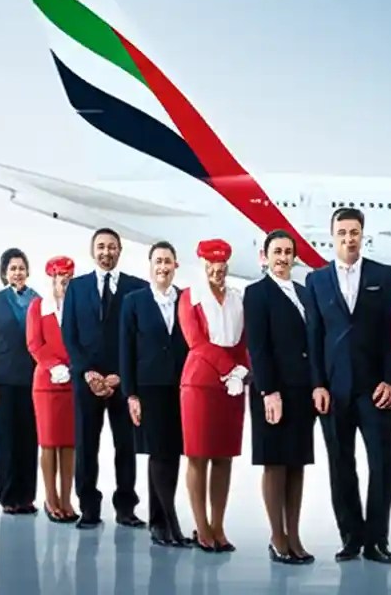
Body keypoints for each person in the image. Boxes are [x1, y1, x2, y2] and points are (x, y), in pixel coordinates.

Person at [300, 207, 391, 564]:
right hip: (334, 392)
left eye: (354, 232)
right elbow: (313, 337)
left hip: (375, 390)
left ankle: (377, 541)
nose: (348, 238)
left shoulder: (383, 275)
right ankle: (351, 538)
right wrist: (317, 385)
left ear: (362, 234)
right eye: (342, 232)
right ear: (332, 236)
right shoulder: (316, 280)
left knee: (381, 466)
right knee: (341, 466)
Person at [60, 227, 147, 530]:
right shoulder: (76, 287)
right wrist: (88, 372)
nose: (106, 252)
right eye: (101, 246)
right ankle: (88, 508)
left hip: (122, 380)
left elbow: (139, 337)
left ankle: (126, 508)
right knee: (86, 446)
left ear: (119, 250)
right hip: (87, 380)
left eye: (111, 247)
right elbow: (69, 334)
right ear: (92, 251)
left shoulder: (136, 288)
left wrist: (119, 375)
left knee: (126, 446)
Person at [244, 230, 317, 564]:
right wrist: (268, 391)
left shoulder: (304, 292)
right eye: (277, 252)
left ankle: (294, 534)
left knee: (297, 463)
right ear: (265, 256)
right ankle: (277, 536)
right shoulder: (256, 293)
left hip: (301, 390)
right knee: (275, 462)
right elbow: (258, 347)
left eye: (288, 252)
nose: (283, 258)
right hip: (273, 390)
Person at [119, 241, 193, 547]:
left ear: (175, 265)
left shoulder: (186, 299)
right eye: (158, 261)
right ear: (150, 266)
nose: (163, 266)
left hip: (180, 387)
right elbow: (125, 348)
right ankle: (167, 523)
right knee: (159, 452)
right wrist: (130, 394)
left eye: (167, 261)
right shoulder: (134, 301)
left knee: (171, 453)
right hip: (149, 388)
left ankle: (159, 521)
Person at [178, 238, 250, 553]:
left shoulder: (237, 298)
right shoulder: (190, 297)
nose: (216, 270)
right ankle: (202, 526)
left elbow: (243, 342)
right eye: (211, 264)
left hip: (232, 386)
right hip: (200, 384)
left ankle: (218, 525)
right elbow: (196, 341)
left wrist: (242, 372)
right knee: (198, 456)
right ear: (202, 264)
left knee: (223, 457)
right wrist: (229, 369)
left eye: (221, 265)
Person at [0, 248, 40, 515]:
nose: (17, 272)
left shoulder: (38, 300)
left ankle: (26, 497)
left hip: (32, 383)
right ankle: (9, 498)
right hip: (2, 383)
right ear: (4, 273)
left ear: (27, 271)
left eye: (21, 268)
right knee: (5, 442)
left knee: (28, 441)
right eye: (12, 268)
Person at [25, 256, 78, 523]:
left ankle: (67, 500)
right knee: (48, 443)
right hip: (47, 385)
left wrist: (74, 366)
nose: (63, 283)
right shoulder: (38, 306)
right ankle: (50, 499)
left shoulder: (77, 305)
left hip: (72, 383)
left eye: (68, 279)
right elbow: (34, 343)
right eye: (60, 278)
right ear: (53, 279)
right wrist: (53, 366)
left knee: (69, 444)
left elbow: (83, 339)